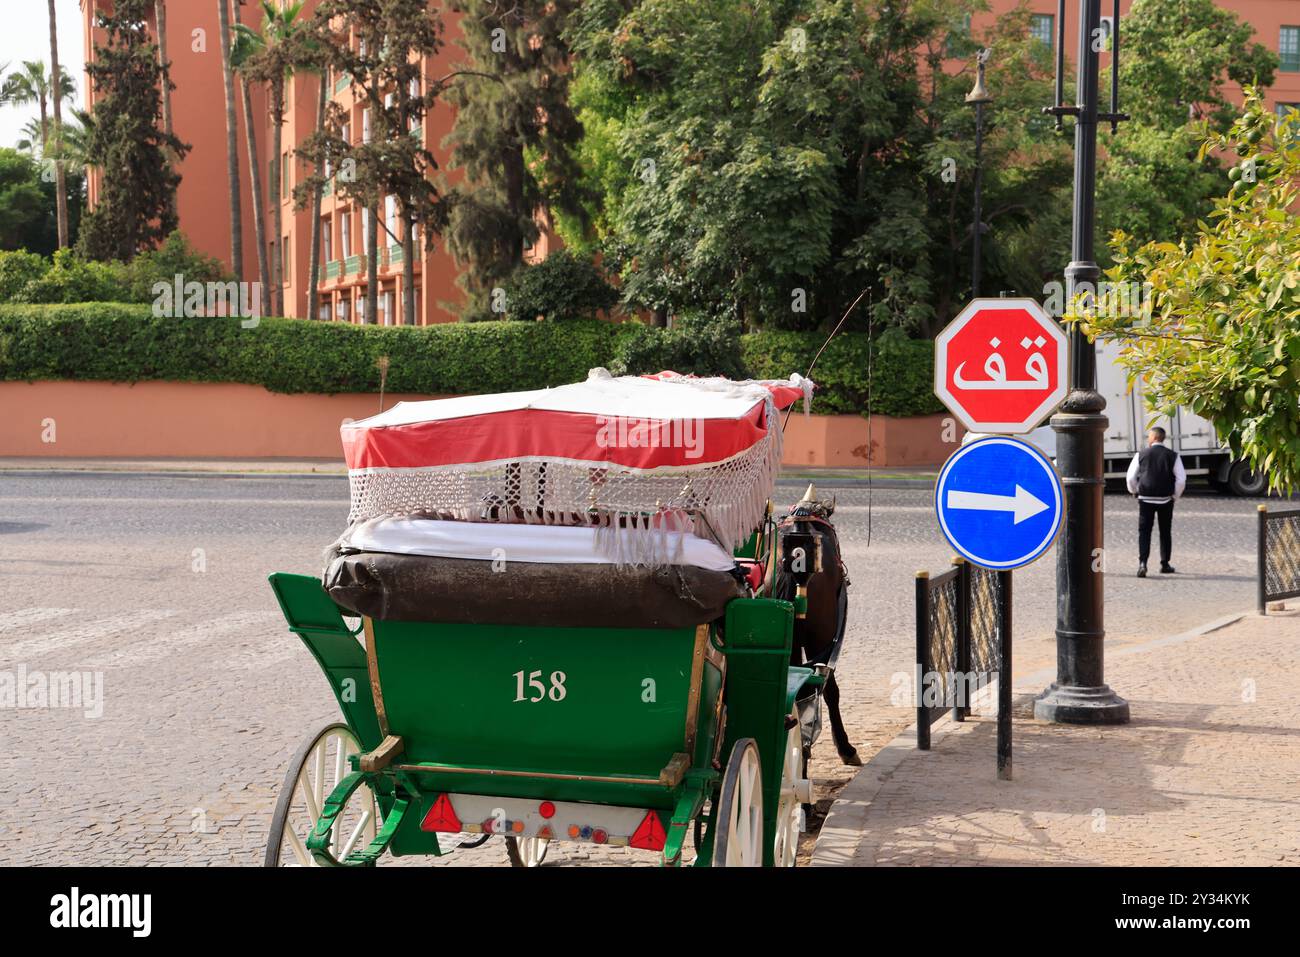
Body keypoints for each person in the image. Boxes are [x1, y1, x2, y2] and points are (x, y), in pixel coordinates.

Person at [1126, 427, 1186, 577]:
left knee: (1144, 532)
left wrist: (1135, 491)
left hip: (1145, 499)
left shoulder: (1141, 454)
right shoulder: (1173, 456)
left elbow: (1131, 478)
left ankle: (1143, 563)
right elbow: (1181, 480)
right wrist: (1175, 496)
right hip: (1165, 499)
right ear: (1163, 438)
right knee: (1165, 531)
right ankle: (1165, 564)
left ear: (1152, 437)